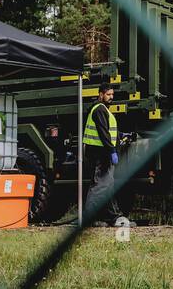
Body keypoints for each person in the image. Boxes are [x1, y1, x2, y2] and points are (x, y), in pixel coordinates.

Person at [54, 85, 129, 226]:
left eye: (112, 94)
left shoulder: (102, 109)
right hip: (102, 154)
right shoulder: (99, 109)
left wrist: (120, 136)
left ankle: (113, 216)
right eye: (108, 94)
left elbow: (108, 131)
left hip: (102, 153)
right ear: (100, 94)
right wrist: (112, 151)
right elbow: (103, 133)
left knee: (107, 185)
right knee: (100, 185)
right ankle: (89, 218)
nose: (111, 97)